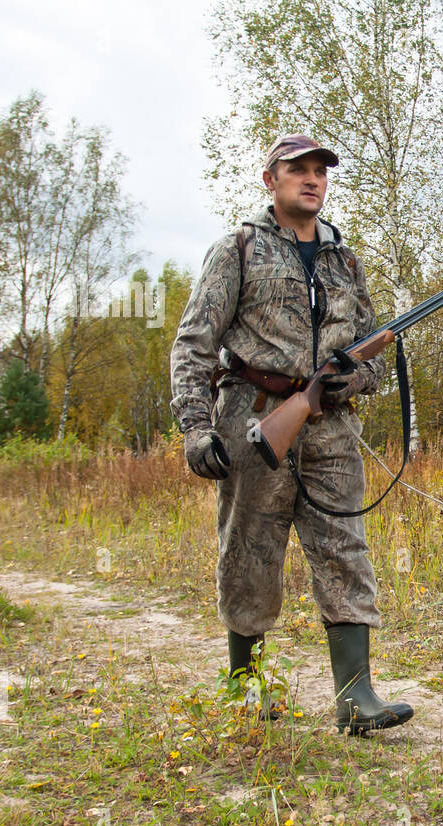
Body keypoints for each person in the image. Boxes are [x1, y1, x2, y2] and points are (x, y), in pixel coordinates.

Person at [169, 133, 412, 735]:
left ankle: (357, 699)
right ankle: (248, 692)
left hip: (330, 433)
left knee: (344, 550)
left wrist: (349, 384)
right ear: (270, 180)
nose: (312, 179)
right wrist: (197, 431)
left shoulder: (345, 262)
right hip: (252, 421)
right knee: (250, 553)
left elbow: (373, 359)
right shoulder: (239, 250)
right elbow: (193, 345)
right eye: (297, 170)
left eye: (320, 171)